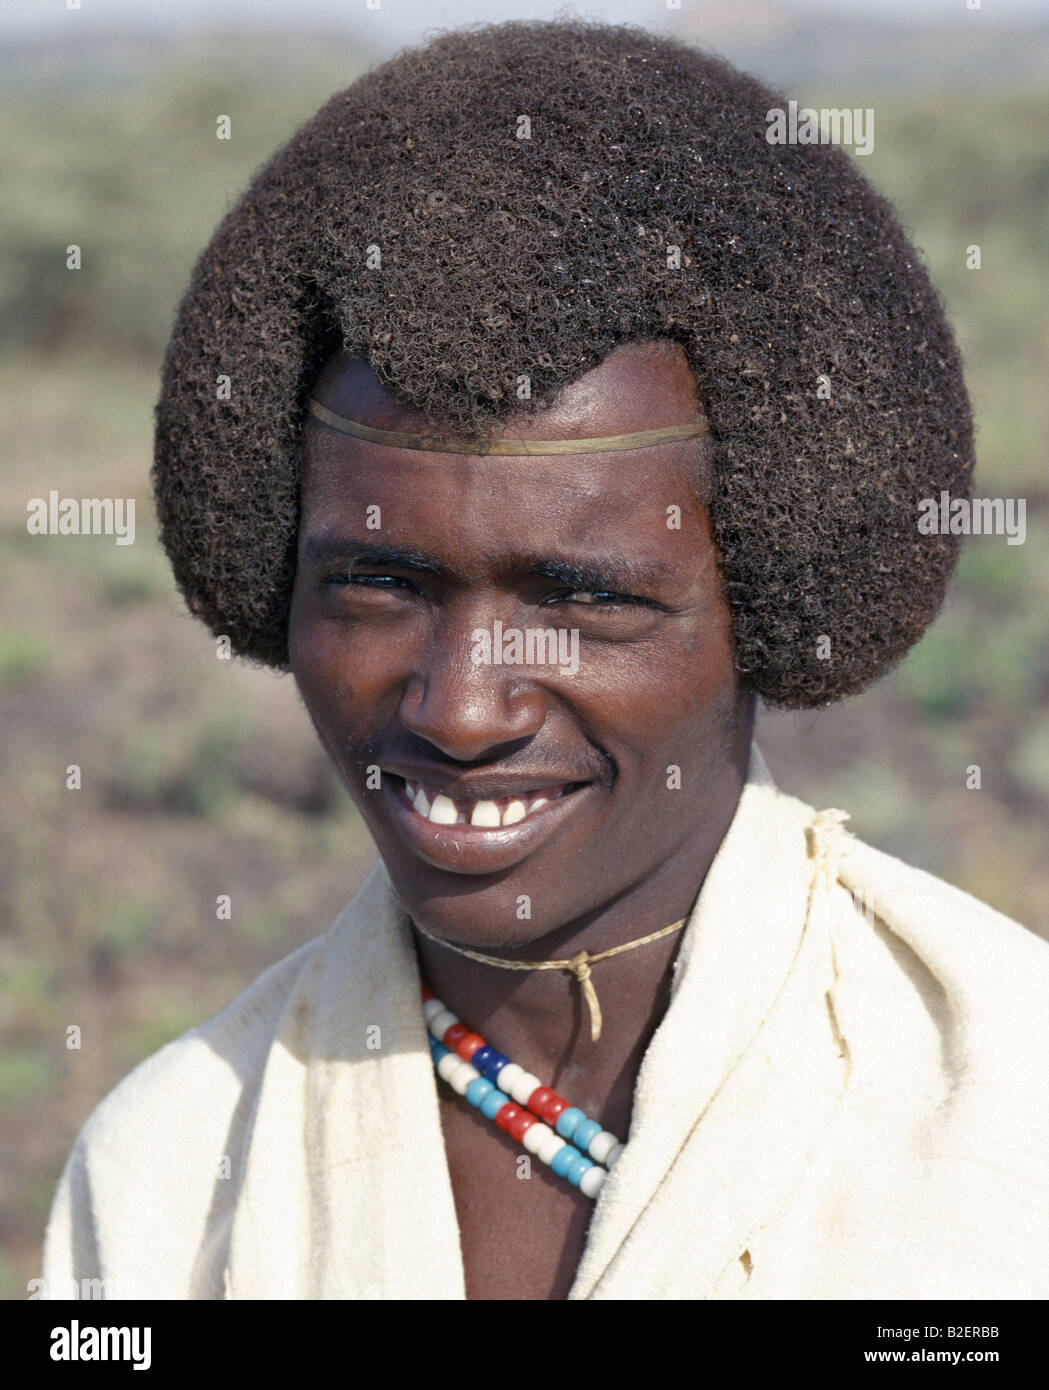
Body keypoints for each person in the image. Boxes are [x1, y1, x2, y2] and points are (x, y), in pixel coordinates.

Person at [42, 18, 1048, 1300]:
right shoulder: (165, 1183)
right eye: (378, 583)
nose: (459, 707)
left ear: (775, 595)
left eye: (582, 600)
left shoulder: (1005, 1118)